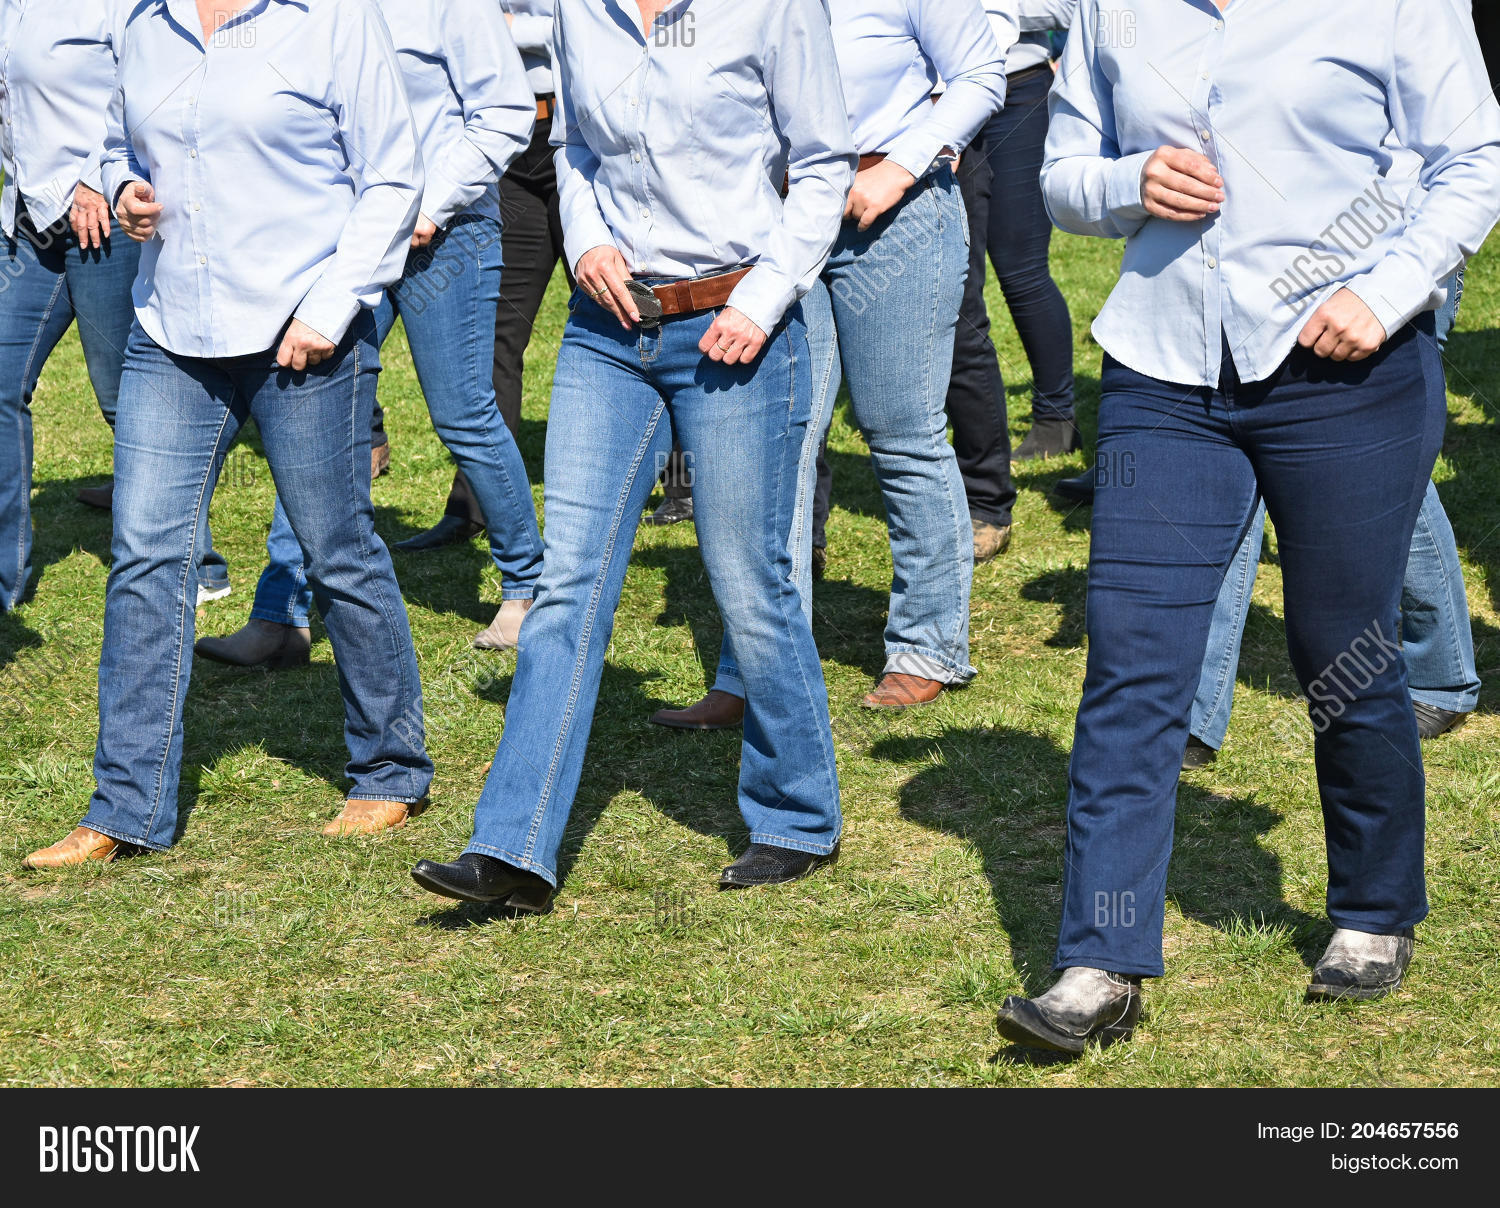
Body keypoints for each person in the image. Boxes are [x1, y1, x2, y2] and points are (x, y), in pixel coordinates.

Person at [996, 0, 1500, 1053]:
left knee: (1344, 650)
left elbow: (1472, 158)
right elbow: (1059, 175)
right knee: (1132, 661)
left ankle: (1372, 905)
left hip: (1349, 366)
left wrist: (1391, 285)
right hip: (1164, 372)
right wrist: (1127, 184)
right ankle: (1101, 956)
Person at [409, 0, 855, 907]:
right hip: (606, 333)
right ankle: (514, 849)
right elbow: (572, 147)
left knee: (747, 578)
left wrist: (763, 300)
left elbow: (823, 167)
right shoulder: (582, 9)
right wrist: (588, 240)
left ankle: (797, 816)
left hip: (740, 329)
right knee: (567, 583)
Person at [22, 0, 433, 868]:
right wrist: (126, 188)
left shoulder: (330, 19)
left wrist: (330, 309)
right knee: (145, 555)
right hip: (172, 331)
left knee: (336, 548)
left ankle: (390, 770)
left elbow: (393, 178)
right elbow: (112, 142)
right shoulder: (140, 23)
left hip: (303, 327)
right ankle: (126, 807)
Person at [648, 0, 1006, 736]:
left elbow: (981, 74)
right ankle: (753, 667)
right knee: (780, 440)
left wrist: (901, 167)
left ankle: (927, 646)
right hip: (778, 226)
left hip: (896, 214)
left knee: (901, 430)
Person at [194, 0, 543, 674]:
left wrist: (430, 203)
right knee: (310, 413)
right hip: (344, 233)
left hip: (447, 234)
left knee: (463, 412)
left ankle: (531, 589)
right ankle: (280, 616)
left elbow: (503, 112)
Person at [0, 0, 228, 612]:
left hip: (100, 219)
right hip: (27, 224)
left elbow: (152, 89)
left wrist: (93, 177)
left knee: (124, 399)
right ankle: (5, 576)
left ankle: (197, 563)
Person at [396, 0, 567, 555]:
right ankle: (471, 506)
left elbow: (633, 25)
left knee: (628, 319)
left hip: (586, 138)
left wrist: (518, 29)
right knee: (494, 333)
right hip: (503, 150)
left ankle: (682, 481)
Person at [965, 0, 1081, 466]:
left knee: (1021, 265)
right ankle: (955, 427)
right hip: (932, 103)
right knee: (954, 278)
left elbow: (1072, 8)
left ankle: (1057, 417)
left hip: (1016, 93)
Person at [936, 1, 1023, 562]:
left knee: (958, 324)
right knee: (813, 336)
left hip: (943, 142)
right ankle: (807, 528)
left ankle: (987, 499)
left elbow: (994, 23)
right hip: (823, 152)